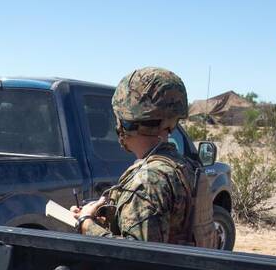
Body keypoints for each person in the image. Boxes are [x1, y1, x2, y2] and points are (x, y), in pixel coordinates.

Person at [72, 67, 196, 244]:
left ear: (127, 122)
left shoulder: (148, 180)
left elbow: (136, 257)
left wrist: (86, 224)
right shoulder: (185, 167)